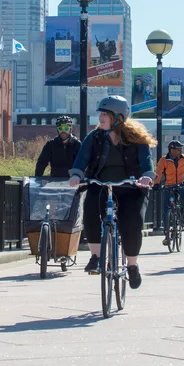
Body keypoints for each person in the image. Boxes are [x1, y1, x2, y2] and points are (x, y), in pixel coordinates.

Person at [69, 96, 155, 289]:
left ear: (118, 117)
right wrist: (76, 174)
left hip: (131, 187)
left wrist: (147, 177)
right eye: (100, 113)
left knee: (132, 222)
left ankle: (132, 266)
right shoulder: (95, 137)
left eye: (104, 114)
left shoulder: (136, 138)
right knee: (89, 207)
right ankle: (96, 256)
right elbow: (82, 159)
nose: (100, 117)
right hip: (100, 185)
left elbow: (146, 160)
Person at [155, 140, 184, 245]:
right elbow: (159, 172)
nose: (180, 150)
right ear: (171, 150)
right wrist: (156, 184)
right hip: (169, 185)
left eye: (180, 148)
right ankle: (166, 234)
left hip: (182, 184)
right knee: (166, 210)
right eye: (178, 149)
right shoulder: (164, 160)